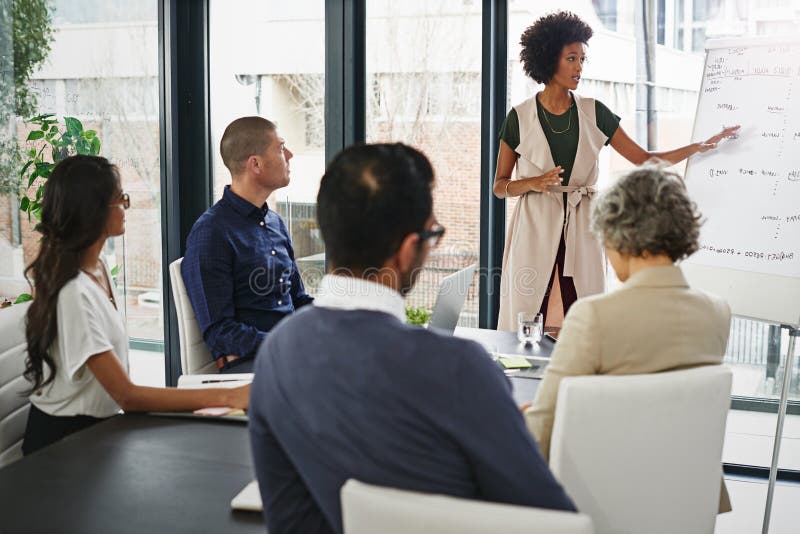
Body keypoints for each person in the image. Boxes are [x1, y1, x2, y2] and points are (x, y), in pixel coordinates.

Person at [248, 143, 576, 534]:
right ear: (406, 251)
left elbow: (288, 517)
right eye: (431, 234)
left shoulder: (277, 352)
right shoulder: (459, 369)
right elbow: (555, 521)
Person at [494, 11, 739, 330]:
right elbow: (500, 186)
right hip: (534, 227)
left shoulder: (594, 112)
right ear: (547, 59)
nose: (579, 67)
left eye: (582, 59)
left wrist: (695, 146)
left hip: (582, 224)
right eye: (571, 58)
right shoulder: (519, 117)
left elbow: (645, 159)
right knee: (526, 312)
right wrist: (532, 183)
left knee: (581, 314)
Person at [523, 162, 732, 511]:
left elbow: (542, 431)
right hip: (686, 499)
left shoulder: (593, 317)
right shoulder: (717, 313)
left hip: (600, 497)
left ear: (620, 233)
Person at [22, 155, 249, 456]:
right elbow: (126, 396)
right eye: (121, 199)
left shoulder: (98, 267)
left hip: (97, 431)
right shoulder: (74, 293)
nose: (126, 206)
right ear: (95, 211)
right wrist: (228, 397)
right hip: (62, 448)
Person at [182, 117, 313, 373]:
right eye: (280, 148)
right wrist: (288, 344)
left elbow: (297, 299)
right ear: (256, 163)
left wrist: (337, 320)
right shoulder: (211, 233)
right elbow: (220, 332)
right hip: (252, 365)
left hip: (289, 355)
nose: (290, 154)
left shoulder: (274, 222)